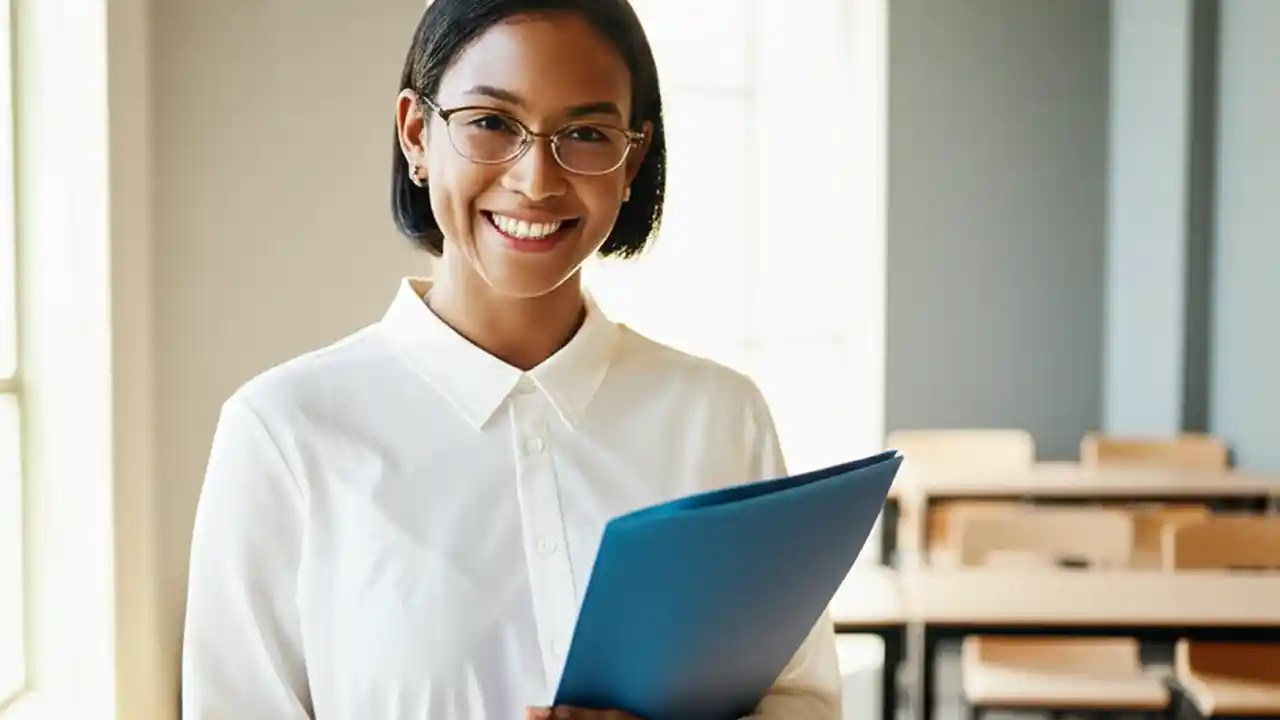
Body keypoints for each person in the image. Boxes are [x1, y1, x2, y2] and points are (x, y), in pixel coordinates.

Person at [181, 1, 841, 718]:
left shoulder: (719, 417)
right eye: (492, 123)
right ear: (416, 134)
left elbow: (800, 699)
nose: (537, 180)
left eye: (586, 133)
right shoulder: (285, 433)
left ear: (633, 159)